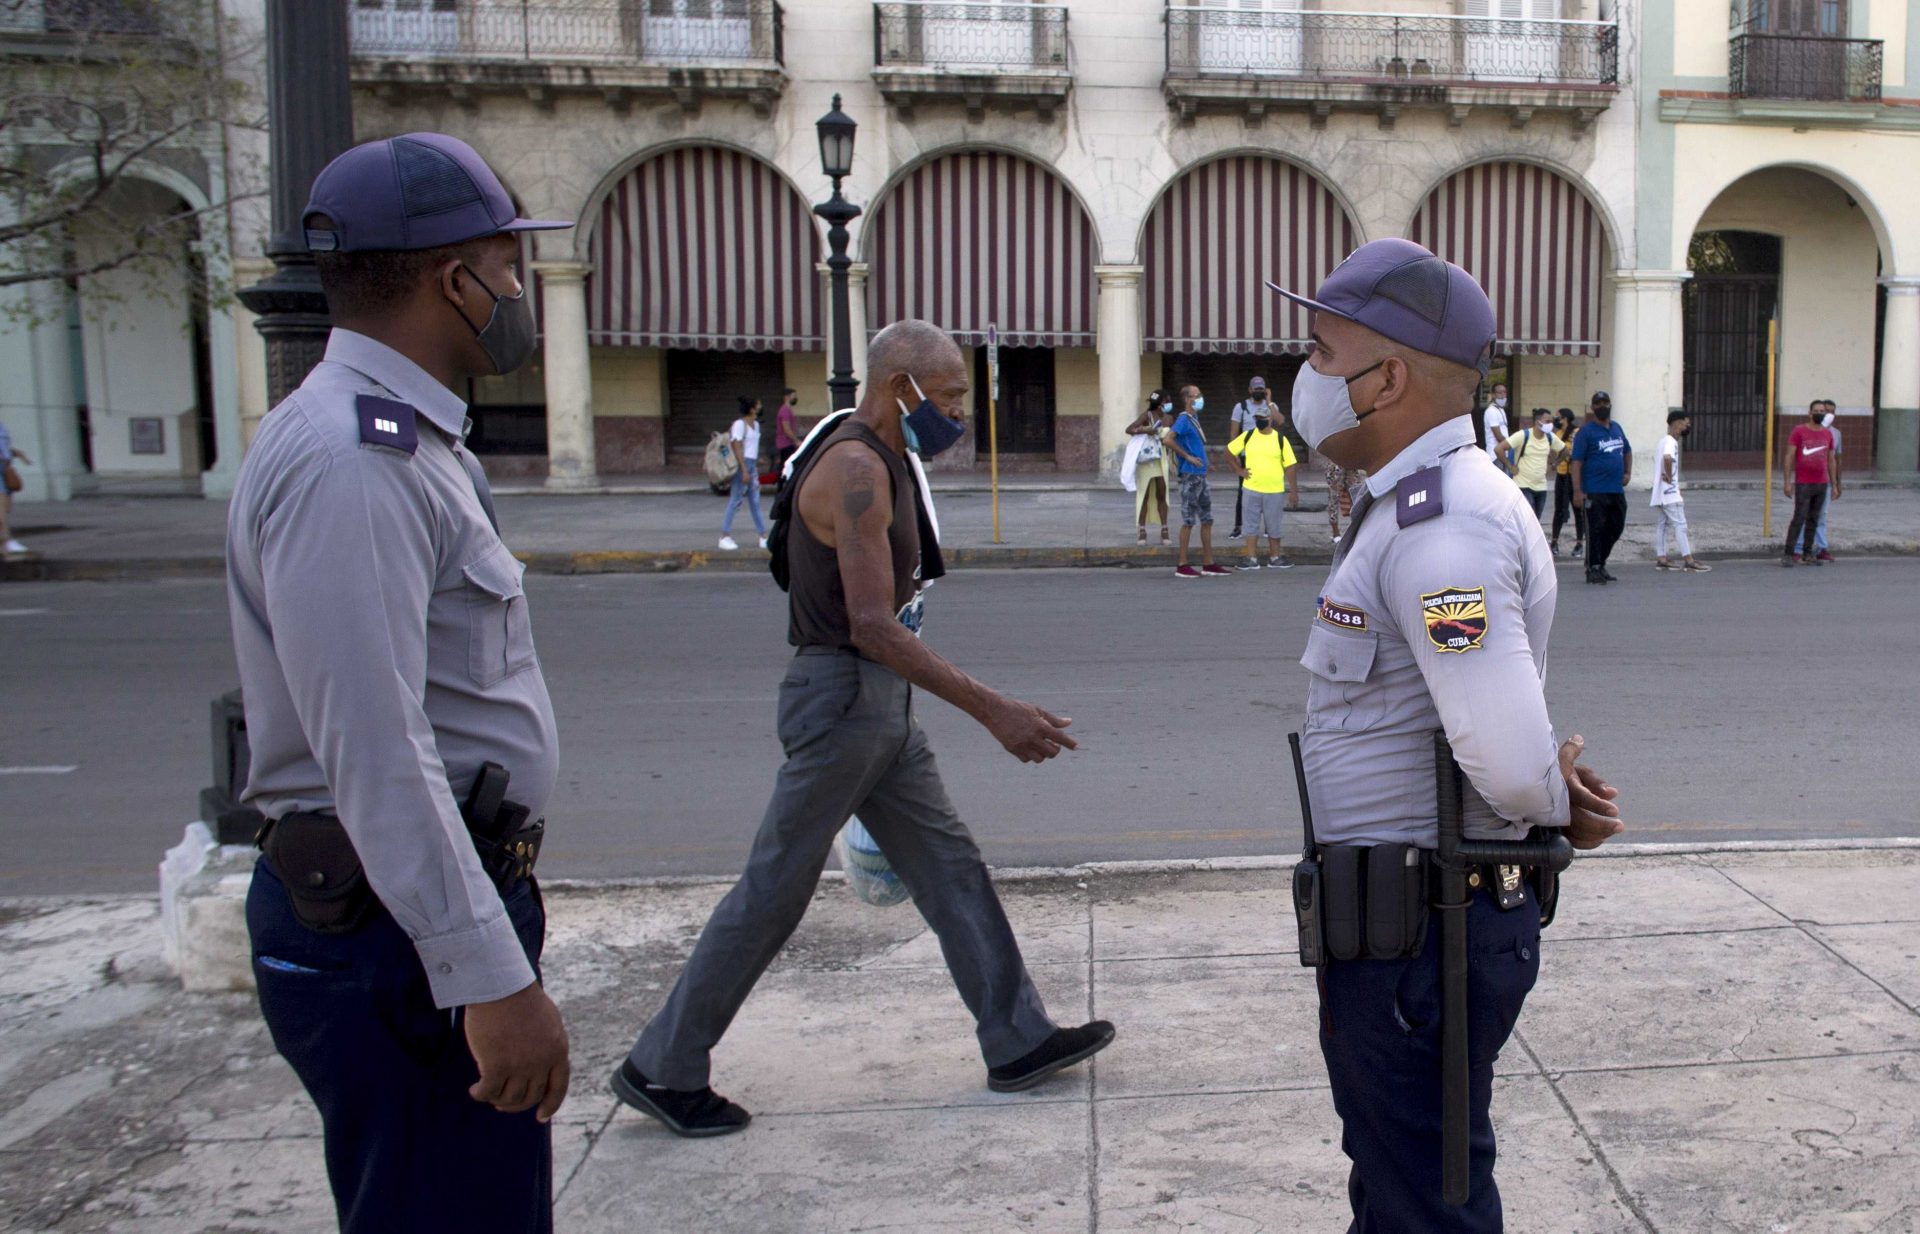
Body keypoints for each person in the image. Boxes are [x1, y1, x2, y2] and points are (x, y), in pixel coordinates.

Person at [611, 319, 1114, 1137]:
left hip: (876, 703)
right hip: (844, 698)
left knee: (950, 867)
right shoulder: (855, 468)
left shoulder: (882, 454)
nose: (959, 412)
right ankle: (662, 1067)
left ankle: (1017, 1039)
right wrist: (994, 709)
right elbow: (872, 624)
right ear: (899, 387)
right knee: (774, 889)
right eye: (949, 396)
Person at [225, 133, 572, 1233]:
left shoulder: (411, 442)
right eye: (506, 265)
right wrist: (487, 976)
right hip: (397, 934)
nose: (519, 290)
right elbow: (374, 745)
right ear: (452, 280)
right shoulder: (351, 462)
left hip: (419, 908)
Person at [1272, 236, 1624, 1233]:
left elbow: (1508, 767)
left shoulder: (1442, 528)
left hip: (1424, 936)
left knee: (1427, 1204)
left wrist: (1553, 802)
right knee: (1400, 1187)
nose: (1307, 376)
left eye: (1323, 354)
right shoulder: (1411, 508)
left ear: (1387, 379)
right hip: (1407, 925)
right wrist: (1549, 794)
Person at [1165, 385, 1231, 578]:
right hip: (1190, 476)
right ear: (1187, 399)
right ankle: (1182, 564)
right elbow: (1168, 440)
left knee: (1207, 520)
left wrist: (1205, 463)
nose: (1200, 398)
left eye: (1200, 394)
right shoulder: (1183, 419)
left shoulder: (1194, 419)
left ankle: (1208, 563)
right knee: (1188, 521)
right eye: (1196, 395)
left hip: (1200, 475)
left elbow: (1194, 445)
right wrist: (1187, 456)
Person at [1226, 402, 1299, 569]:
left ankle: (1275, 557)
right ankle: (1251, 558)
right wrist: (1239, 470)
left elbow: (1290, 467)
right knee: (1250, 526)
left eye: (1262, 418)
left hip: (1274, 490)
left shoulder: (1280, 440)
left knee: (1274, 526)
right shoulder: (1248, 436)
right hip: (1251, 489)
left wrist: (1293, 491)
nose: (1259, 421)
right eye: (1257, 418)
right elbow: (1228, 452)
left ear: (1270, 419)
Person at [1570, 391, 1630, 585]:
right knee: (1595, 529)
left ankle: (1601, 561)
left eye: (1605, 402)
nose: (1602, 406)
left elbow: (1627, 451)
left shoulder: (1617, 428)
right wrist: (1577, 491)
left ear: (1610, 405)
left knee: (1616, 527)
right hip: (1594, 490)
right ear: (1593, 407)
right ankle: (1593, 567)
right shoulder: (1585, 432)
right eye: (1598, 403)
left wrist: (1627, 472)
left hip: (1616, 490)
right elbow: (1576, 462)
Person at [1652, 410, 1711, 573]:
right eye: (1687, 424)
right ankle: (1689, 560)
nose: (1688, 427)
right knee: (1680, 525)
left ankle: (1662, 558)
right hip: (1670, 494)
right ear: (1678, 423)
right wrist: (1669, 477)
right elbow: (1667, 458)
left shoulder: (1662, 441)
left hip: (1661, 494)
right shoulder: (1671, 442)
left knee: (1663, 525)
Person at [1782, 398, 1837, 567]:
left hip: (1821, 483)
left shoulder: (1828, 434)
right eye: (1816, 411)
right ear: (1810, 413)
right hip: (1804, 483)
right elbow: (1789, 456)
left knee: (1814, 519)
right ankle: (1788, 553)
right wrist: (1787, 482)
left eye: (1822, 411)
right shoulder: (1799, 431)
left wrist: (1834, 484)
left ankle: (1807, 553)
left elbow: (1831, 460)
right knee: (1799, 517)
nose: (1820, 414)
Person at [1124, 389, 1173, 545]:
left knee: (1161, 494)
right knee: (1144, 495)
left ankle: (1164, 529)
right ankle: (1142, 530)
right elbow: (1129, 429)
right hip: (1146, 460)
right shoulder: (1147, 415)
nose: (1169, 404)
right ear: (1160, 403)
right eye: (1167, 401)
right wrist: (1145, 430)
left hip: (1161, 459)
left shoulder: (1169, 418)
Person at [719, 397, 767, 551]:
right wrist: (744, 469)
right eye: (758, 405)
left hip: (751, 464)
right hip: (743, 465)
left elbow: (751, 446)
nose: (760, 407)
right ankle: (724, 536)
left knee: (755, 501)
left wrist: (756, 460)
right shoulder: (739, 425)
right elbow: (736, 446)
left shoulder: (756, 425)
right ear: (752, 409)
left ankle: (763, 536)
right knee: (735, 501)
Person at [1229, 376, 1274, 537]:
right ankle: (1239, 527)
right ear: (1250, 390)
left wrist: (1269, 401)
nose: (1259, 392)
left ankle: (1269, 527)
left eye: (1261, 389)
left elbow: (1278, 421)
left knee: (1267, 493)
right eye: (1256, 389)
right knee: (1244, 492)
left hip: (1267, 456)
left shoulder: (1270, 406)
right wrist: (1235, 457)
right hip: (1247, 457)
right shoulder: (1240, 407)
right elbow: (1234, 434)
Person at [1502, 407, 1560, 521]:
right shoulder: (1523, 435)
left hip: (1541, 486)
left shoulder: (1550, 437)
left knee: (1536, 521)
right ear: (1538, 422)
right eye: (1547, 421)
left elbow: (1564, 450)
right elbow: (1499, 448)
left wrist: (1554, 464)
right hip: (1523, 485)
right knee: (1529, 518)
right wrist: (1509, 466)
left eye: (1551, 421)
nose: (1550, 424)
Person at [1549, 408, 1583, 558]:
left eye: (1558, 417)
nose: (1556, 420)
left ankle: (1579, 543)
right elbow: (1554, 452)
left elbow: (1576, 453)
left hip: (1573, 476)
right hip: (1561, 475)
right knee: (1559, 509)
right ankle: (1554, 541)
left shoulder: (1576, 432)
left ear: (1565, 418)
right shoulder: (1557, 434)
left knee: (1578, 511)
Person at [1811, 398, 1841, 562]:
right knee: (1805, 515)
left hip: (1826, 481)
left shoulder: (1835, 434)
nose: (1828, 414)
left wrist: (1836, 484)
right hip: (1809, 480)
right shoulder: (1810, 430)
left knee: (1822, 515)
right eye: (1825, 411)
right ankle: (1800, 548)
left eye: (1831, 412)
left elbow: (1835, 459)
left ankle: (1822, 547)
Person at [0, 418, 30, 556]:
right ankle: (6, 542)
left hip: (5, 468)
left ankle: (6, 542)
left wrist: (17, 453)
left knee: (6, 507)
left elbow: (4, 447)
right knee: (1, 508)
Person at [1325, 456, 1368, 544]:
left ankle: (1357, 529)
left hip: (1352, 461)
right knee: (1334, 497)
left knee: (1356, 495)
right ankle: (1336, 533)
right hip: (1336, 461)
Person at [773, 387, 801, 475]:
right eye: (793, 396)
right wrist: (796, 441)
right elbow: (786, 429)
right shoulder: (785, 410)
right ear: (787, 397)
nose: (795, 398)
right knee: (787, 468)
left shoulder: (787, 410)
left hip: (787, 443)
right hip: (786, 444)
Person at [1480, 381, 1509, 465]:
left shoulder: (1501, 410)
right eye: (1500, 393)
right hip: (1495, 455)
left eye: (1504, 392)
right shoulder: (1491, 411)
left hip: (1504, 454)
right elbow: (1498, 436)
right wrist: (1512, 443)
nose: (1503, 395)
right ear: (1493, 395)